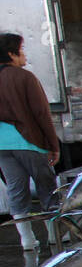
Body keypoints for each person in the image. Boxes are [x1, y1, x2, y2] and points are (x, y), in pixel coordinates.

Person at [0, 32, 59, 251]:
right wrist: (53, 145)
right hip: (27, 141)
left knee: (16, 188)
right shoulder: (24, 77)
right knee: (46, 186)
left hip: (2, 145)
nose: (24, 55)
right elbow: (41, 114)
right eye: (21, 50)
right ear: (11, 54)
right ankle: (55, 236)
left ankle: (27, 240)